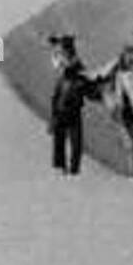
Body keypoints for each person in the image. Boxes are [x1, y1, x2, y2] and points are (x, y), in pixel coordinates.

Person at [48, 35, 89, 176]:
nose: (69, 50)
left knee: (75, 142)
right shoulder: (64, 61)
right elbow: (62, 66)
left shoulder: (74, 61)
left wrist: (55, 47)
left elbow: (74, 67)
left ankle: (72, 169)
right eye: (67, 47)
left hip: (72, 107)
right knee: (62, 140)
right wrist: (55, 48)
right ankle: (63, 168)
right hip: (63, 106)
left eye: (69, 47)